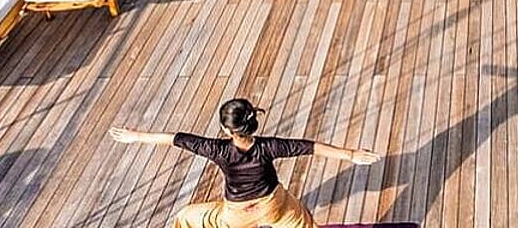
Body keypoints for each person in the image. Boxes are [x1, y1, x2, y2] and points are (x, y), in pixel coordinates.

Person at [109, 97, 378, 228]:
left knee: (186, 217)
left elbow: (177, 139)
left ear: (227, 130)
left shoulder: (217, 149)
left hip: (237, 215)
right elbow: (309, 147)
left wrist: (136, 136)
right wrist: (351, 154)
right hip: (275, 206)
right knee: (303, 221)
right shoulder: (269, 146)